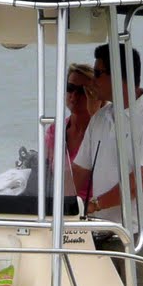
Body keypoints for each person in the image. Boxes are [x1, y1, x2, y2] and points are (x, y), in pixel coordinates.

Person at [72, 44, 143, 286]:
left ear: (121, 77)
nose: (92, 81)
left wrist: (94, 205)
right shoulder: (100, 118)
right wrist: (50, 203)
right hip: (105, 235)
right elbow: (78, 173)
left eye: (98, 73)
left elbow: (142, 180)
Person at [47, 62, 98, 202]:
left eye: (82, 91)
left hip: (94, 207)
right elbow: (46, 175)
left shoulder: (104, 130)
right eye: (70, 88)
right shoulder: (55, 131)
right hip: (62, 205)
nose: (74, 95)